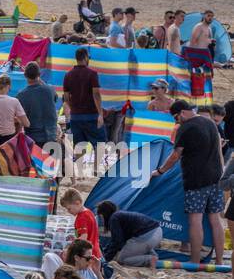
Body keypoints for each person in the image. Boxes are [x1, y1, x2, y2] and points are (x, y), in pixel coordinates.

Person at [151, 100, 225, 263]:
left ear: (183, 113)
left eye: (176, 118)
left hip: (197, 180)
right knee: (215, 220)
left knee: (195, 219)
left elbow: (175, 156)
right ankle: (219, 261)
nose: (176, 122)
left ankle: (195, 260)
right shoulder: (211, 123)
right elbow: (219, 151)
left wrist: (160, 171)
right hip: (216, 178)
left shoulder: (186, 128)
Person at [96, 201, 164, 267]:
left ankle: (150, 259)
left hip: (146, 237)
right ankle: (153, 255)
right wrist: (105, 252)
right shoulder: (119, 215)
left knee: (122, 259)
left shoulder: (114, 218)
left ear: (105, 213)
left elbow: (117, 242)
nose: (101, 219)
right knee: (131, 246)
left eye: (101, 216)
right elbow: (115, 240)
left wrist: (105, 260)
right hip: (157, 232)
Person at [62, 47, 105, 148]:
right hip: (92, 116)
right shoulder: (92, 74)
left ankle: (78, 164)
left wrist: (73, 110)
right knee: (100, 145)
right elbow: (96, 95)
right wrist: (100, 114)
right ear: (85, 57)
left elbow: (66, 98)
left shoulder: (68, 75)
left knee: (79, 147)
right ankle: (96, 165)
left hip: (76, 117)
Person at [16, 62, 59, 149]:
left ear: (25, 75)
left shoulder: (21, 95)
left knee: (35, 163)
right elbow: (55, 98)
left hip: (33, 139)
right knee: (50, 162)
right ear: (39, 74)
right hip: (51, 136)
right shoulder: (50, 89)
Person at [59, 187, 102, 267]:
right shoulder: (89, 212)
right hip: (95, 251)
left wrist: (70, 248)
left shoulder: (81, 218)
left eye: (69, 208)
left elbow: (83, 237)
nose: (69, 212)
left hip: (87, 255)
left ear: (77, 203)